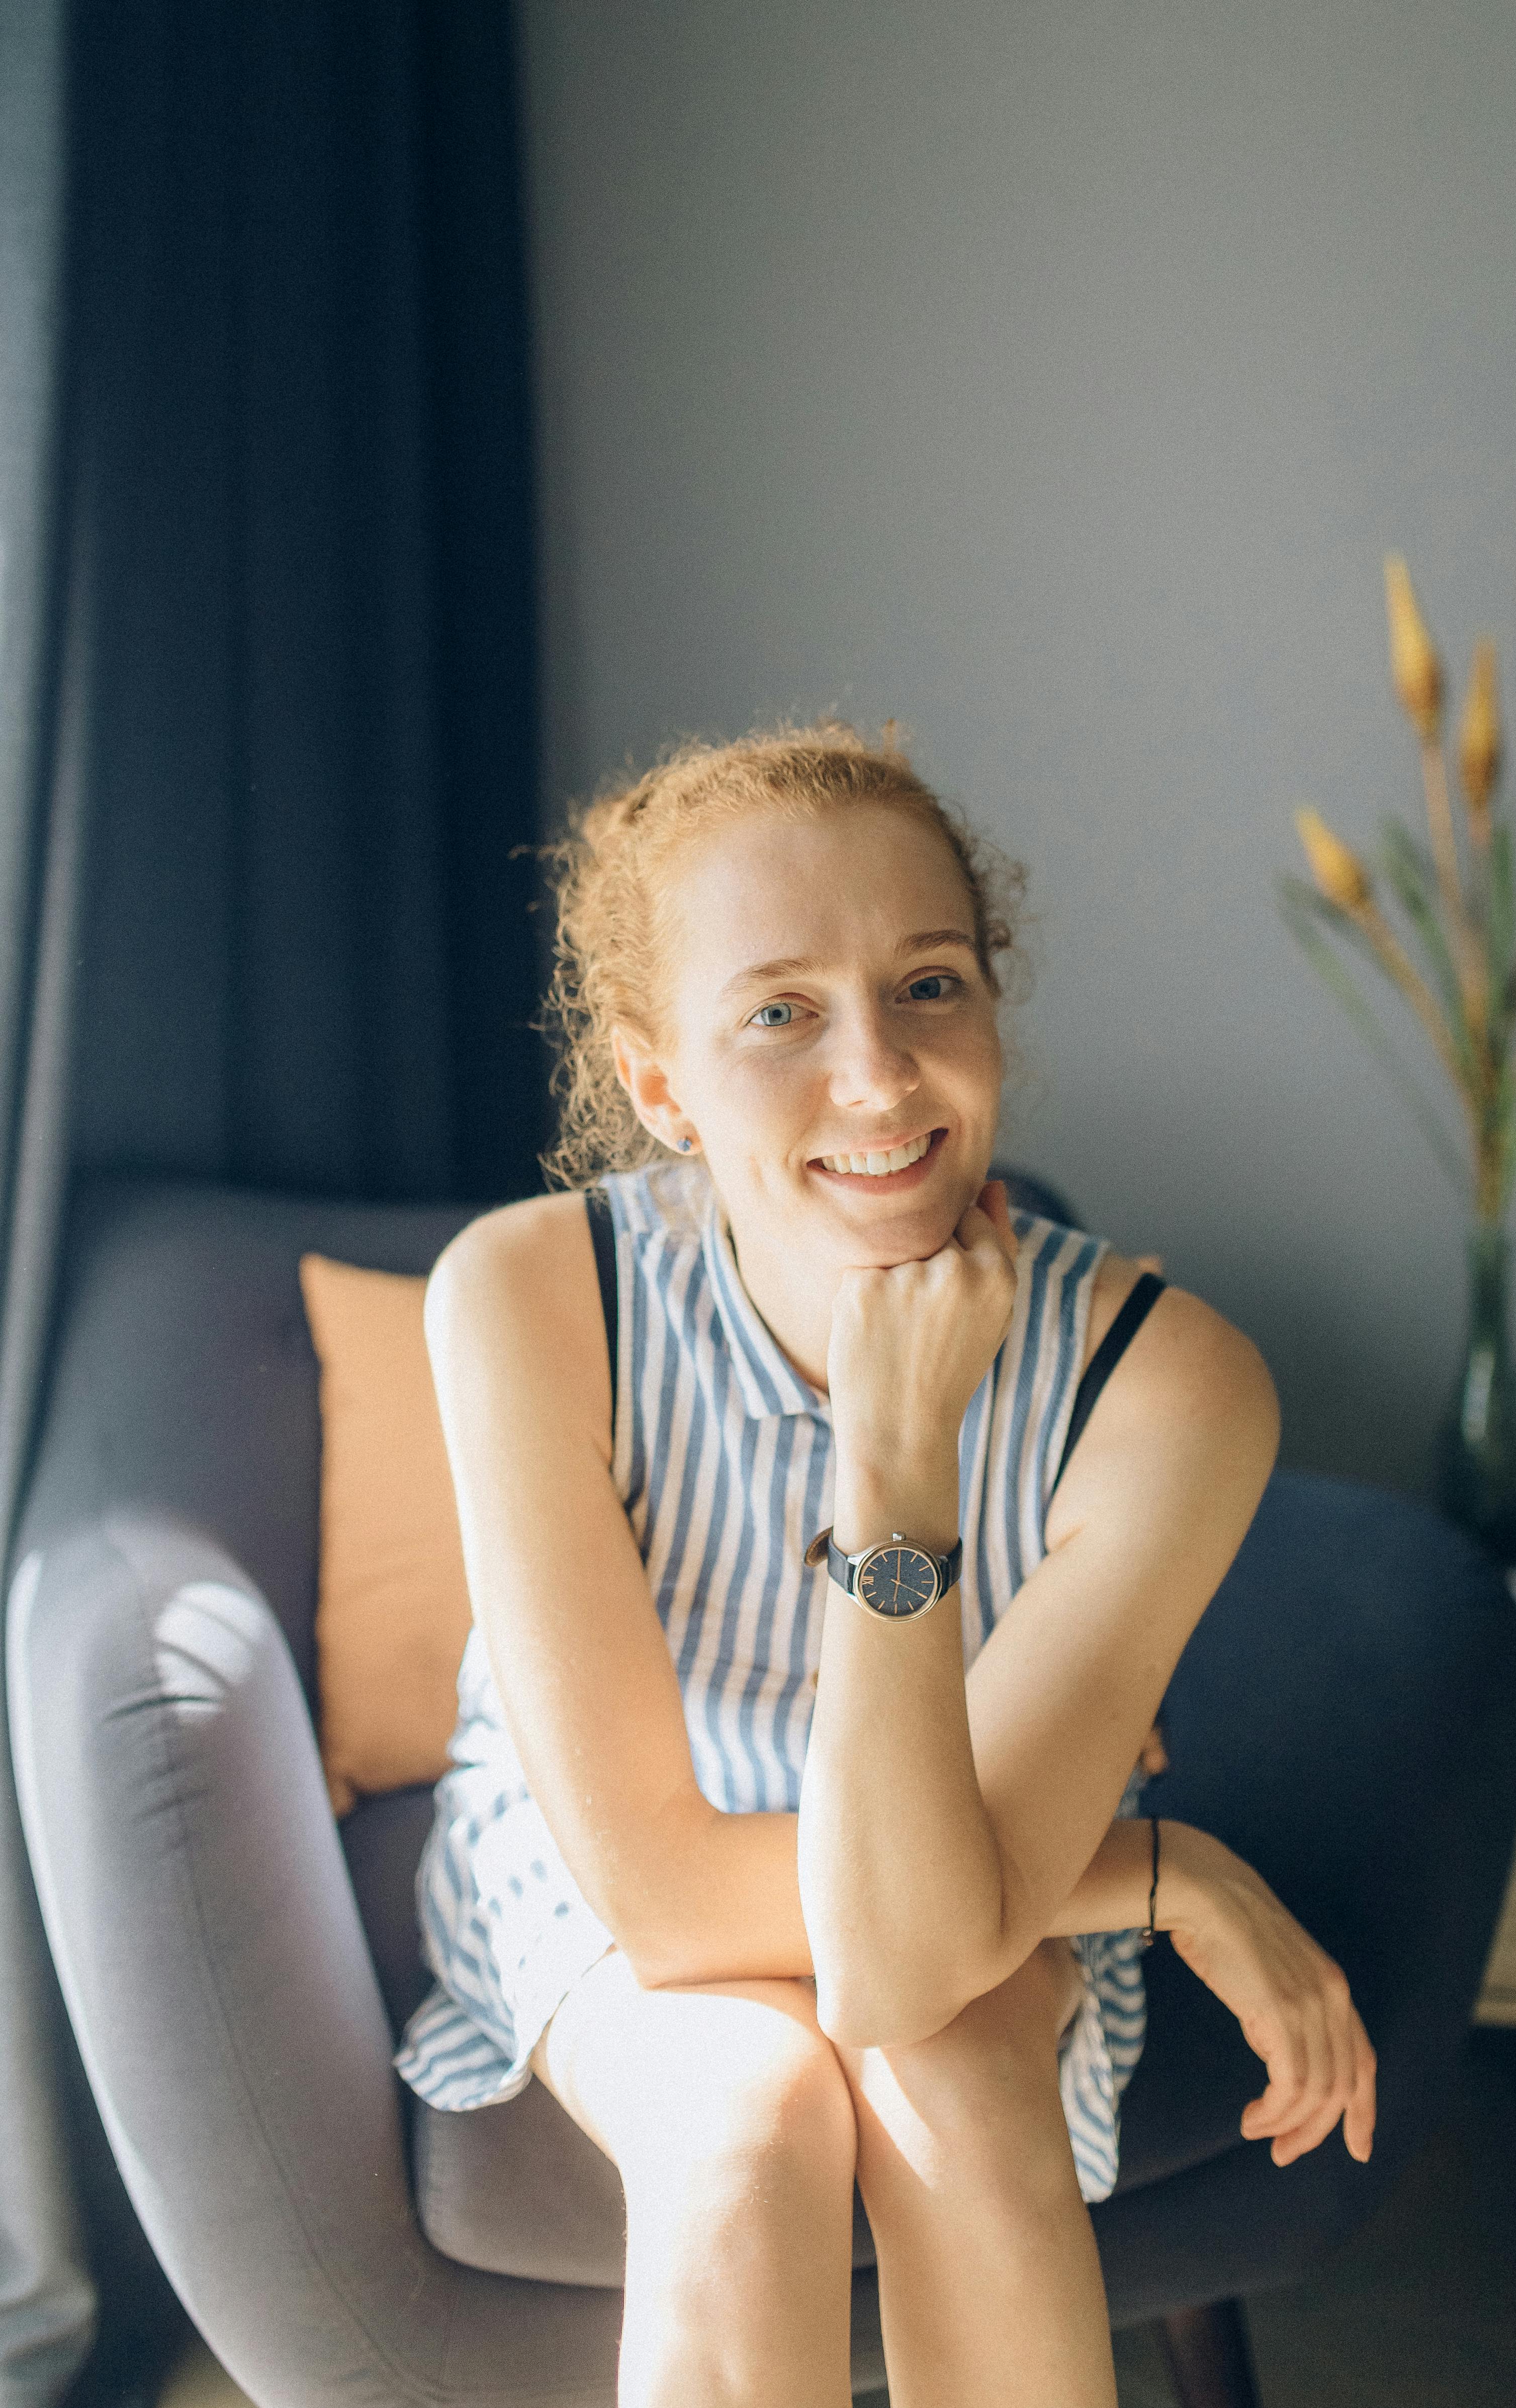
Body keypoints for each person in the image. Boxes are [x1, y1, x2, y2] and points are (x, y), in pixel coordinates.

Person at [395, 724, 1376, 2408]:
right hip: (635, 1863)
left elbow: (908, 1962)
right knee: (743, 2118)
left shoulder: (1169, 1383)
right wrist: (1156, 1867)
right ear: (660, 1086)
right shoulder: (529, 1295)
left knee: (964, 2088)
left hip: (969, 1851)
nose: (881, 1076)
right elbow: (664, 1895)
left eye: (930, 986)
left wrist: (902, 1463)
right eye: (780, 1013)